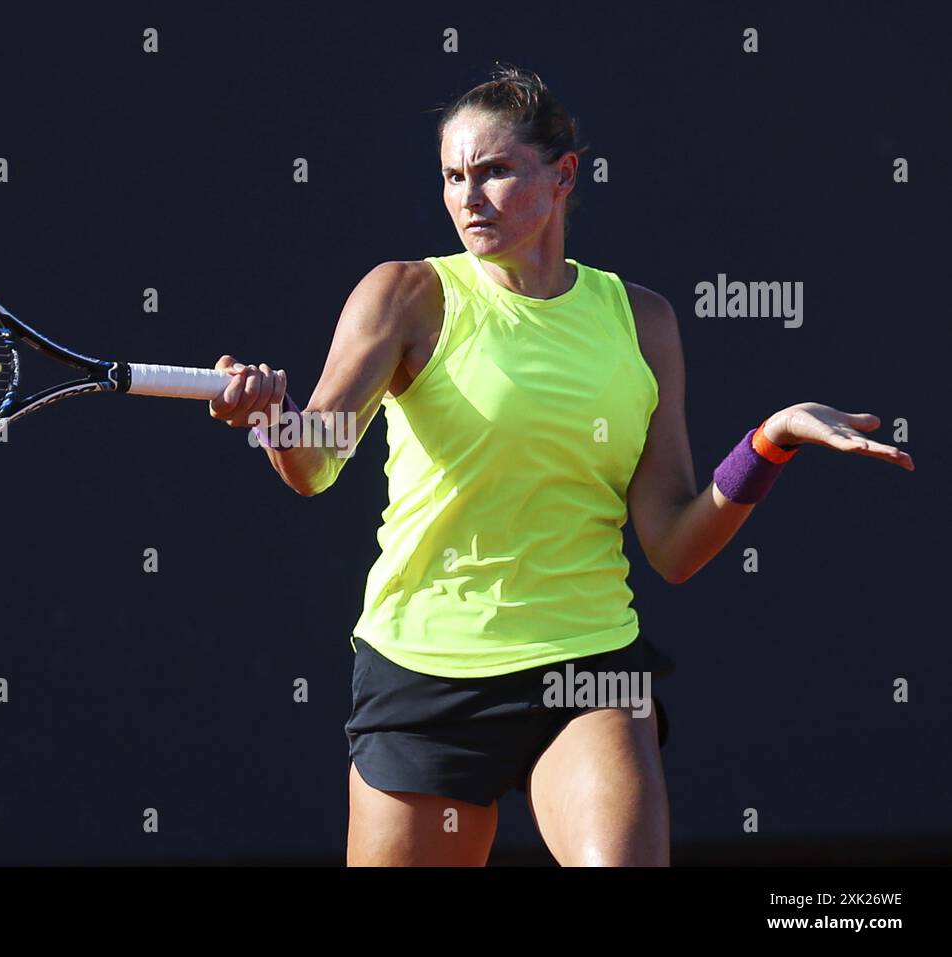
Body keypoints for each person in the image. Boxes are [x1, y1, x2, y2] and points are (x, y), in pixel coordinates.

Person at [207, 66, 914, 867]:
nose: (468, 195)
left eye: (495, 171)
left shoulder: (641, 321)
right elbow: (315, 462)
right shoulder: (405, 295)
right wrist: (271, 419)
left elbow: (674, 545)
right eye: (451, 176)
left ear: (563, 174)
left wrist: (769, 442)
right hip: (423, 673)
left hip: (587, 667)